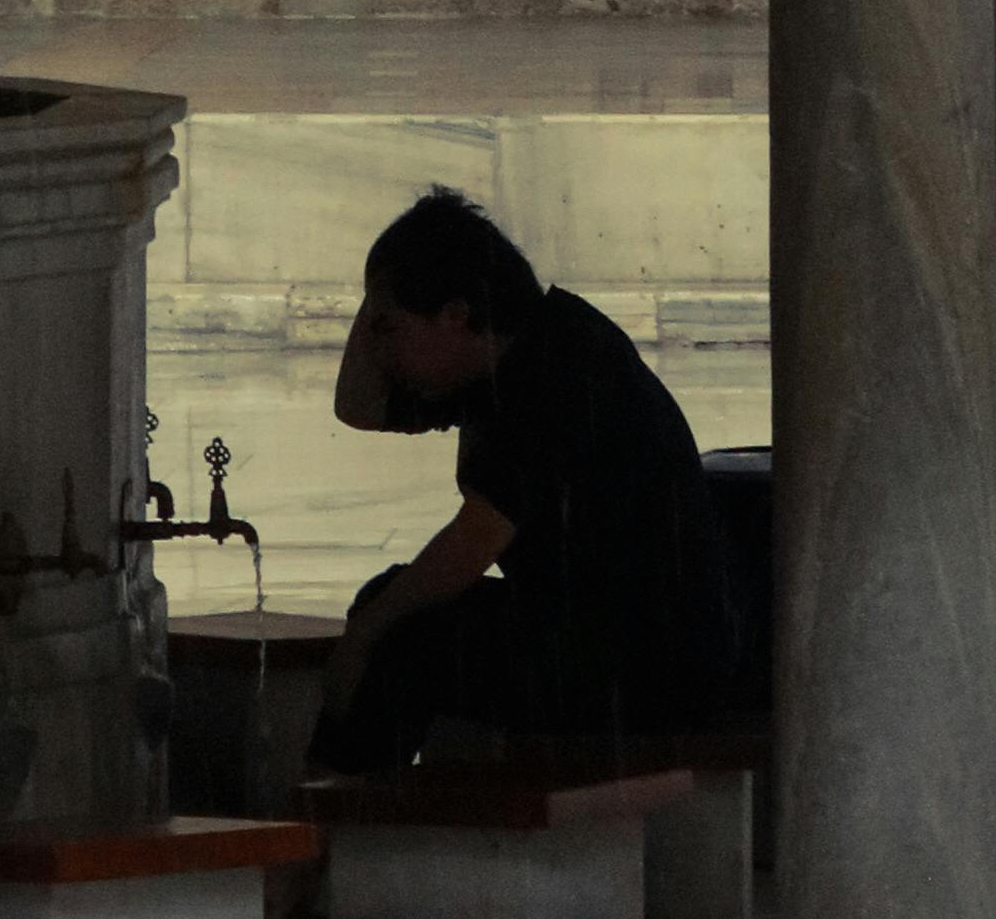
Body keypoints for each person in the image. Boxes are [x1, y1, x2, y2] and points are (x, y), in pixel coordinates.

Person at [309, 183, 751, 775]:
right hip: (587, 633)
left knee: (405, 634)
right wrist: (380, 298)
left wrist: (364, 636)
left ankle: (334, 820)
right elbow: (357, 407)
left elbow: (472, 544)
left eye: (390, 328)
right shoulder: (498, 357)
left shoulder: (560, 372)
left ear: (455, 316)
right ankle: (339, 808)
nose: (379, 348)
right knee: (392, 606)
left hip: (653, 666)